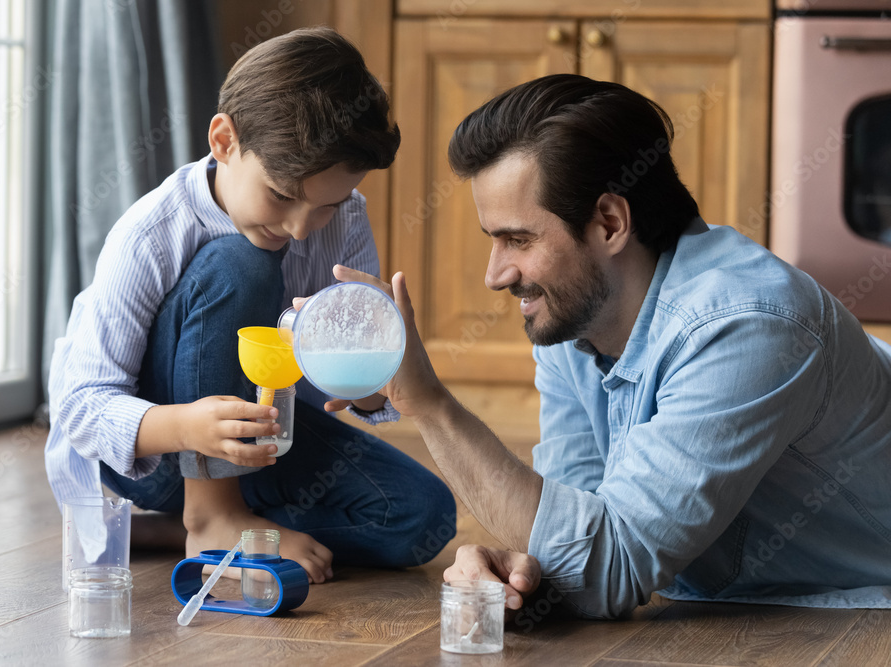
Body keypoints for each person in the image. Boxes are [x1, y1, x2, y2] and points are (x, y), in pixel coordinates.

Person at [341, 73, 891, 618]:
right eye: (494, 240)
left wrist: (428, 403)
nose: (496, 275)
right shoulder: (572, 319)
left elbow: (609, 567)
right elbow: (579, 526)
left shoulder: (747, 329)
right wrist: (521, 565)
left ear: (609, 223)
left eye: (519, 239)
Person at [44, 27, 455, 584]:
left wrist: (374, 373)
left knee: (420, 516)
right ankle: (210, 514)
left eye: (327, 205)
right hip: (156, 452)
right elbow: (81, 405)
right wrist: (187, 426)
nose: (299, 227)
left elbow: (329, 388)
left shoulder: (348, 219)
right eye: (282, 195)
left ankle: (186, 529)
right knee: (241, 262)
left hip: (259, 440)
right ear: (224, 140)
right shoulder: (152, 232)